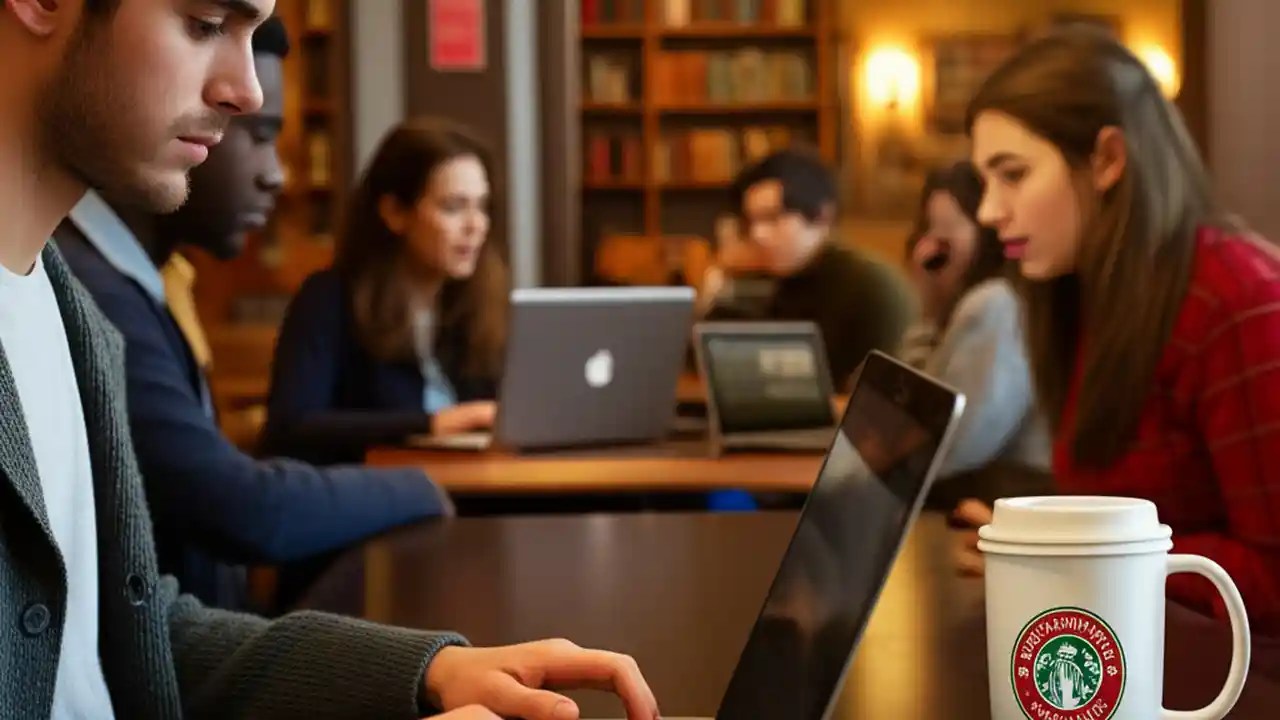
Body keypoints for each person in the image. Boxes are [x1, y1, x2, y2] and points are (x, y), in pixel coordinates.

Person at [0, 1, 657, 717]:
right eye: (204, 22)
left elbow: (132, 639)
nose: (247, 90)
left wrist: (427, 672)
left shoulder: (73, 317)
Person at [54, 15, 457, 614]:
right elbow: (235, 507)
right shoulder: (94, 293)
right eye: (259, 134)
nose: (277, 174)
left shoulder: (140, 284)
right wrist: (423, 486)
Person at [951, 28, 1280, 634]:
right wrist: (1036, 545)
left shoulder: (1241, 303)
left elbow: (1274, 573)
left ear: (1107, 160)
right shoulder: (1084, 294)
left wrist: (1074, 557)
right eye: (985, 181)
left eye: (1013, 174)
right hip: (1143, 650)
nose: (989, 211)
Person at [263, 118, 504, 466]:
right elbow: (291, 426)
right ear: (394, 213)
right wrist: (434, 424)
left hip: (471, 489)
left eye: (481, 206)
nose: (476, 226)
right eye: (453, 207)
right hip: (368, 502)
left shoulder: (477, 305)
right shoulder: (328, 299)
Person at [897, 161, 1051, 509]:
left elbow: (946, 451)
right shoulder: (983, 304)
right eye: (929, 232)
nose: (929, 251)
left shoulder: (995, 305)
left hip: (993, 504)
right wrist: (930, 311)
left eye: (946, 234)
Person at [704, 148, 917, 392]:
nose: (757, 235)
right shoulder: (785, 277)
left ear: (822, 215)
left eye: (772, 218)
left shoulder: (873, 287)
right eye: (751, 222)